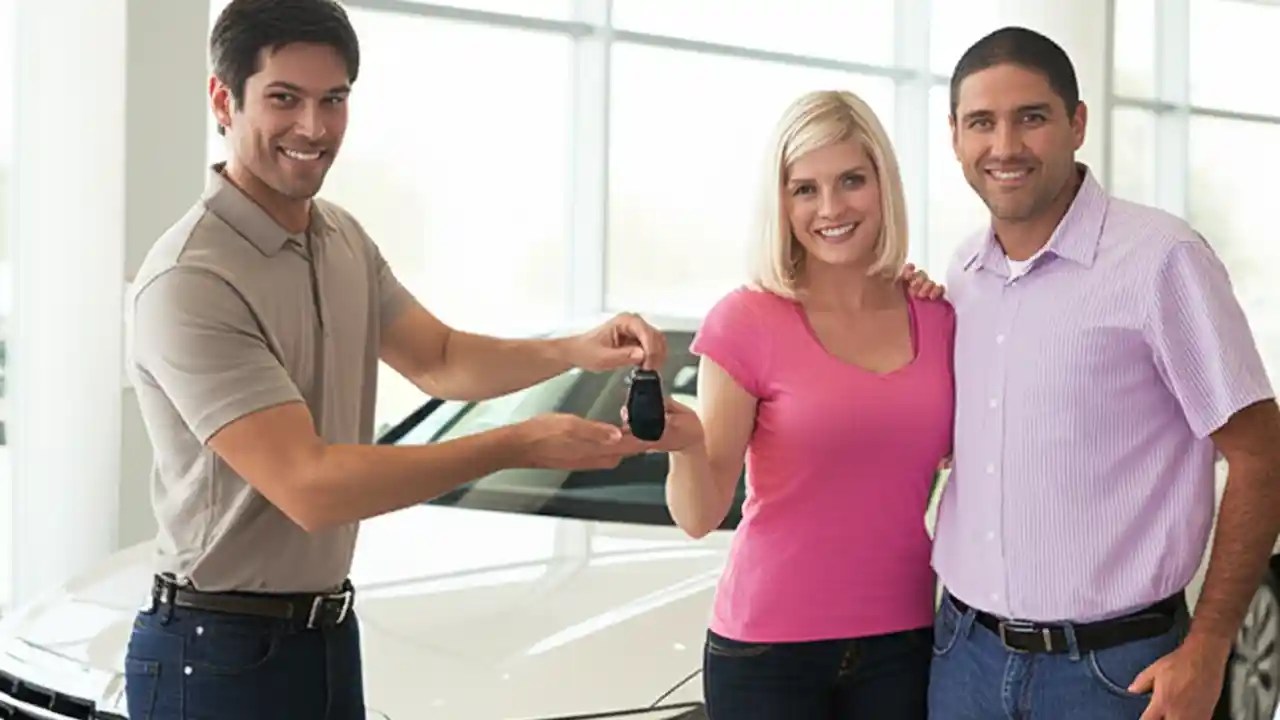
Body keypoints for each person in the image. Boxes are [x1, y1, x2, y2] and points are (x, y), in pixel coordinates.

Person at [122, 1, 666, 718]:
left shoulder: (341, 238)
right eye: (284, 99)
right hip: (213, 650)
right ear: (223, 99)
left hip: (325, 635)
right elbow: (310, 486)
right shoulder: (192, 280)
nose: (313, 129)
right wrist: (514, 443)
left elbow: (438, 358)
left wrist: (576, 352)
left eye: (333, 100)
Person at [928, 26, 1280, 720]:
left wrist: (1209, 648)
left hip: (1115, 674)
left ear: (1076, 123)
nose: (1004, 146)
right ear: (955, 136)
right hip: (962, 657)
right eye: (981, 123)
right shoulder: (962, 274)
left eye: (1031, 117)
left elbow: (1263, 455)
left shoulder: (1161, 260)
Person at [652, 89, 955, 719]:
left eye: (851, 181)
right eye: (805, 189)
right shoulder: (746, 321)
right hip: (768, 655)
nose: (831, 208)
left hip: (905, 642)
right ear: (780, 200)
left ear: (883, 184)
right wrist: (684, 444)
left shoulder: (938, 315)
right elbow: (700, 514)